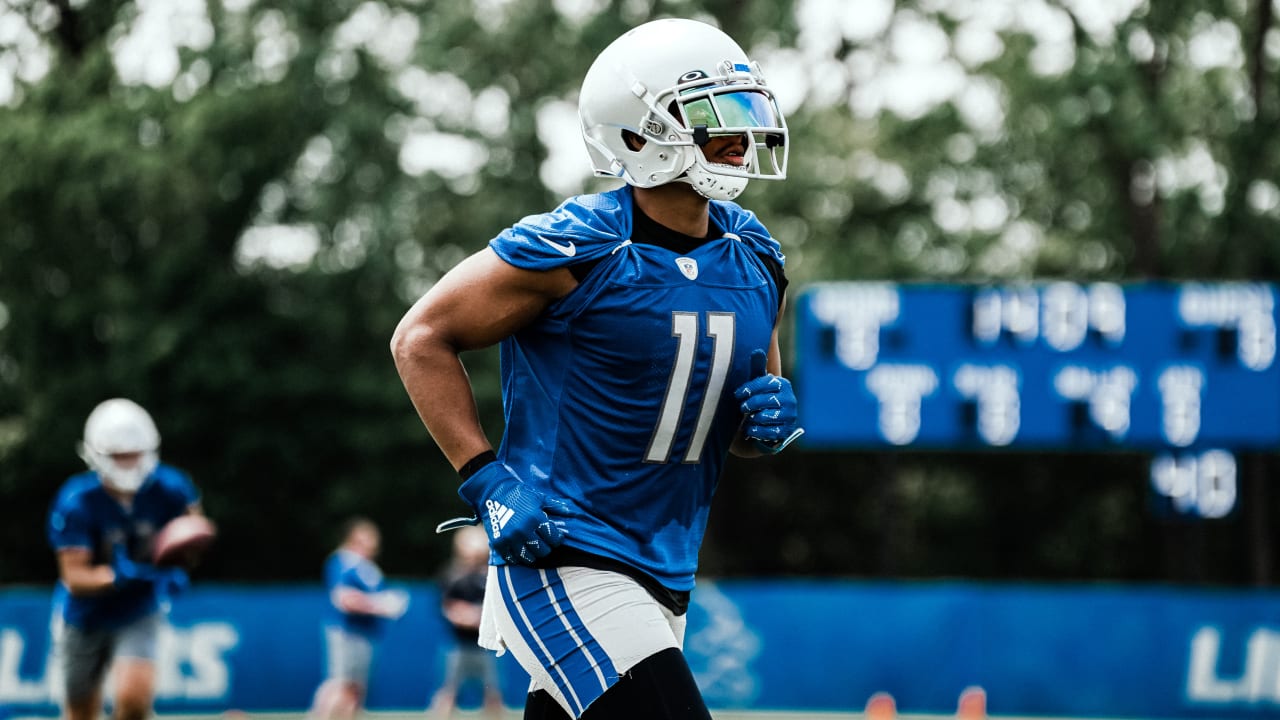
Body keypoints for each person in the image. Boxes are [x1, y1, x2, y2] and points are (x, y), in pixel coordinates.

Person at [390, 17, 802, 720]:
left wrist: (766, 421)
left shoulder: (755, 255)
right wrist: (485, 477)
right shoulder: (578, 245)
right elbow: (421, 336)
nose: (741, 135)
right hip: (563, 547)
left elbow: (739, 419)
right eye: (713, 117)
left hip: (666, 564)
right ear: (637, 132)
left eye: (744, 112)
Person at [46, 398, 203, 720]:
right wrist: (117, 577)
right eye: (120, 456)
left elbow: (195, 536)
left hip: (138, 607)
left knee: (133, 700)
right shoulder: (77, 501)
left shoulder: (172, 489)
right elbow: (74, 577)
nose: (129, 464)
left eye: (135, 454)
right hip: (85, 615)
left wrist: (179, 563)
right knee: (81, 713)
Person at [309, 517, 409, 720]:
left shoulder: (368, 567)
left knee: (356, 689)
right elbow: (343, 598)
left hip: (367, 634)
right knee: (339, 683)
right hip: (346, 631)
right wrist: (381, 605)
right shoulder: (343, 560)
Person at [427, 524, 504, 719]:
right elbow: (447, 607)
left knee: (493, 693)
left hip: (485, 645)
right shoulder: (452, 574)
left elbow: (496, 607)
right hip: (458, 644)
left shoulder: (491, 573)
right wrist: (465, 615)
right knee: (448, 691)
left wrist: (478, 616)